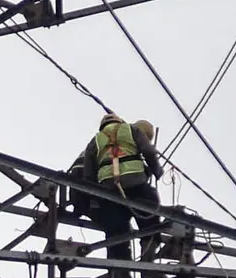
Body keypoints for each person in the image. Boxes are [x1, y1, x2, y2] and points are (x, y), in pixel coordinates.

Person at [66, 113, 163, 269]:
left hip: (108, 189)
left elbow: (88, 176)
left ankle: (119, 276)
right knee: (150, 213)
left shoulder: (96, 140)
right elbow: (149, 152)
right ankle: (148, 259)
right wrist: (156, 171)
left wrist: (95, 199)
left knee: (116, 229)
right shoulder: (131, 131)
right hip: (136, 183)